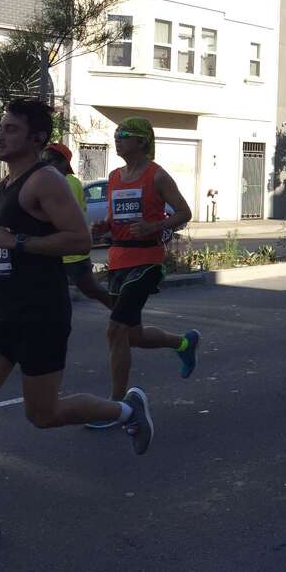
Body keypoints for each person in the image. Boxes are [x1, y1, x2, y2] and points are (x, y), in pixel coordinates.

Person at [0, 100, 154, 559]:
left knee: (43, 414)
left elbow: (79, 239)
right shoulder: (5, 183)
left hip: (41, 312)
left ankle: (127, 411)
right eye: (0, 127)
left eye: (11, 128)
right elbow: (0, 231)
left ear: (36, 139)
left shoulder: (46, 180)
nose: (0, 134)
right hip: (0, 309)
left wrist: (18, 241)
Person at [88, 118, 198, 421]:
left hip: (146, 261)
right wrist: (104, 227)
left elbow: (185, 212)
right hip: (118, 260)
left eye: (123, 135)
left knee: (115, 330)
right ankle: (184, 343)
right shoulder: (114, 176)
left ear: (141, 141)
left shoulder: (157, 176)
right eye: (116, 135)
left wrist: (154, 226)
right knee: (132, 336)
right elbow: (116, 218)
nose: (117, 139)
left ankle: (117, 407)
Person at [40, 143, 111, 310]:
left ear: (62, 163)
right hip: (64, 252)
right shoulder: (66, 181)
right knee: (84, 291)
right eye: (43, 161)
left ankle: (123, 315)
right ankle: (122, 313)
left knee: (91, 290)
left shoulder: (65, 183)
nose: (45, 165)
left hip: (70, 254)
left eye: (49, 161)